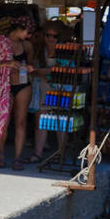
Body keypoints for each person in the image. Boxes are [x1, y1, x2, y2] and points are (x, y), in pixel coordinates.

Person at [0, 15, 36, 170]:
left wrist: (29, 68)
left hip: (23, 84)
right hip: (4, 84)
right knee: (4, 120)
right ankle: (1, 153)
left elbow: (31, 65)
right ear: (19, 29)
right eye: (28, 32)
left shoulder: (27, 45)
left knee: (21, 122)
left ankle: (17, 157)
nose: (30, 35)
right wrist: (6, 63)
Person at [30, 20, 68, 163]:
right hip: (43, 89)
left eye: (54, 36)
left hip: (61, 89)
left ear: (60, 37)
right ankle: (38, 153)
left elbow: (67, 70)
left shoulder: (65, 50)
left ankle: (61, 153)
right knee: (41, 120)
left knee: (61, 121)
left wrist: (47, 71)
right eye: (47, 35)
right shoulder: (40, 49)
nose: (50, 38)